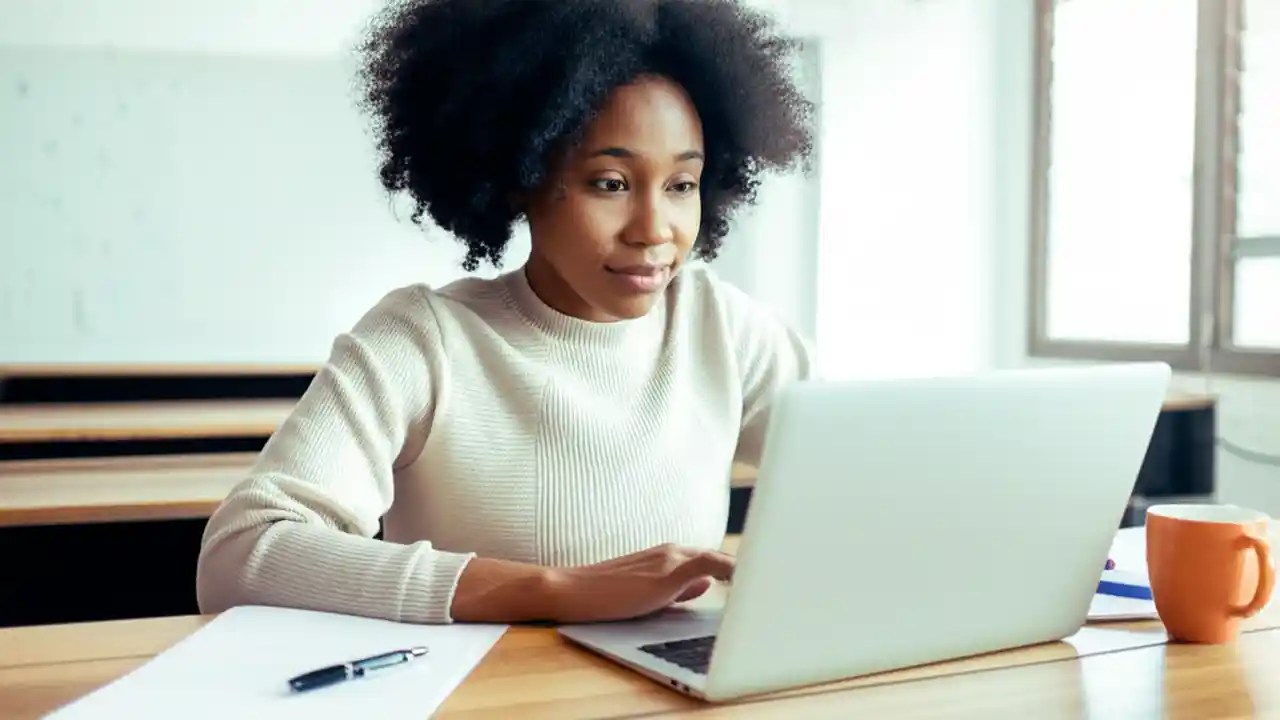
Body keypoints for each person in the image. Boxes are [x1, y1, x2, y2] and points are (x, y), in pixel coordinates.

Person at [195, 0, 816, 625]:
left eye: (682, 185)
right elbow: (241, 554)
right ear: (521, 176)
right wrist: (552, 590)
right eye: (610, 183)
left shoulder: (723, 327)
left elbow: (863, 478)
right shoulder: (424, 342)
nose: (655, 229)